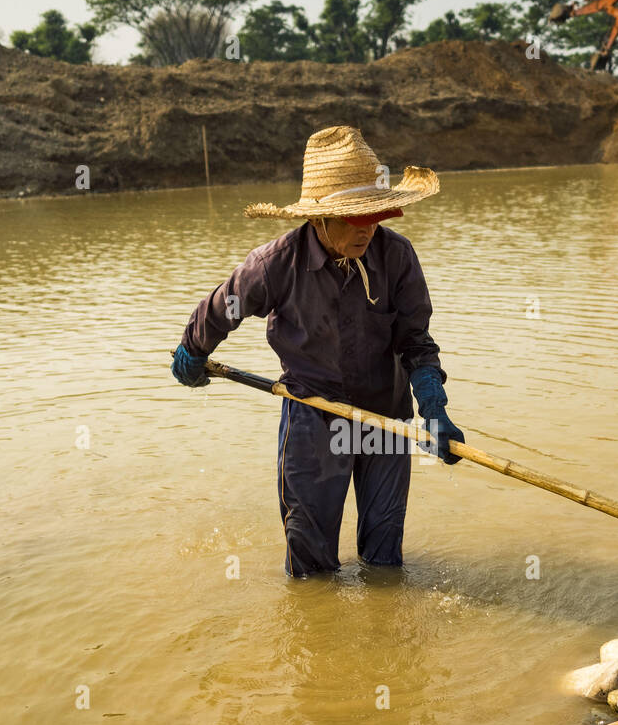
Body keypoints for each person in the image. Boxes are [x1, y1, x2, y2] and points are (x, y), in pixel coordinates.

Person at [171, 125, 464, 577]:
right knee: (311, 562)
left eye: (375, 215)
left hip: (385, 418)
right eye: (354, 218)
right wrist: (192, 351)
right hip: (313, 413)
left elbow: (415, 342)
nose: (368, 229)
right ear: (319, 220)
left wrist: (433, 406)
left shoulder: (397, 257)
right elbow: (222, 306)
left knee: (385, 558)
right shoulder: (275, 265)